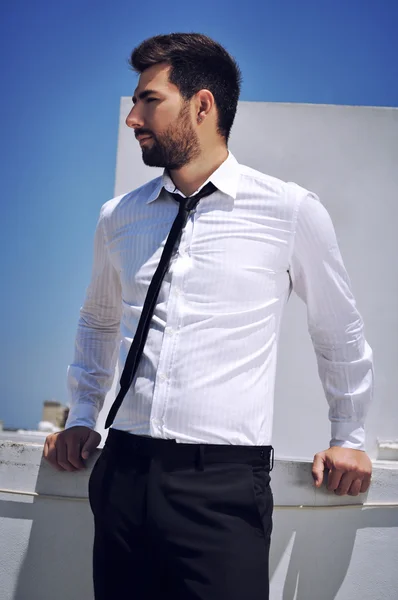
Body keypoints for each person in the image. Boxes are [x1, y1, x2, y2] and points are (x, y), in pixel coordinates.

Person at [43, 33, 373, 600]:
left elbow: (337, 329)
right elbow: (97, 322)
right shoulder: (118, 217)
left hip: (222, 486)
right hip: (121, 470)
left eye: (149, 100)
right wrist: (83, 414)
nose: (133, 119)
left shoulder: (289, 210)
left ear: (202, 105)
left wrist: (349, 434)